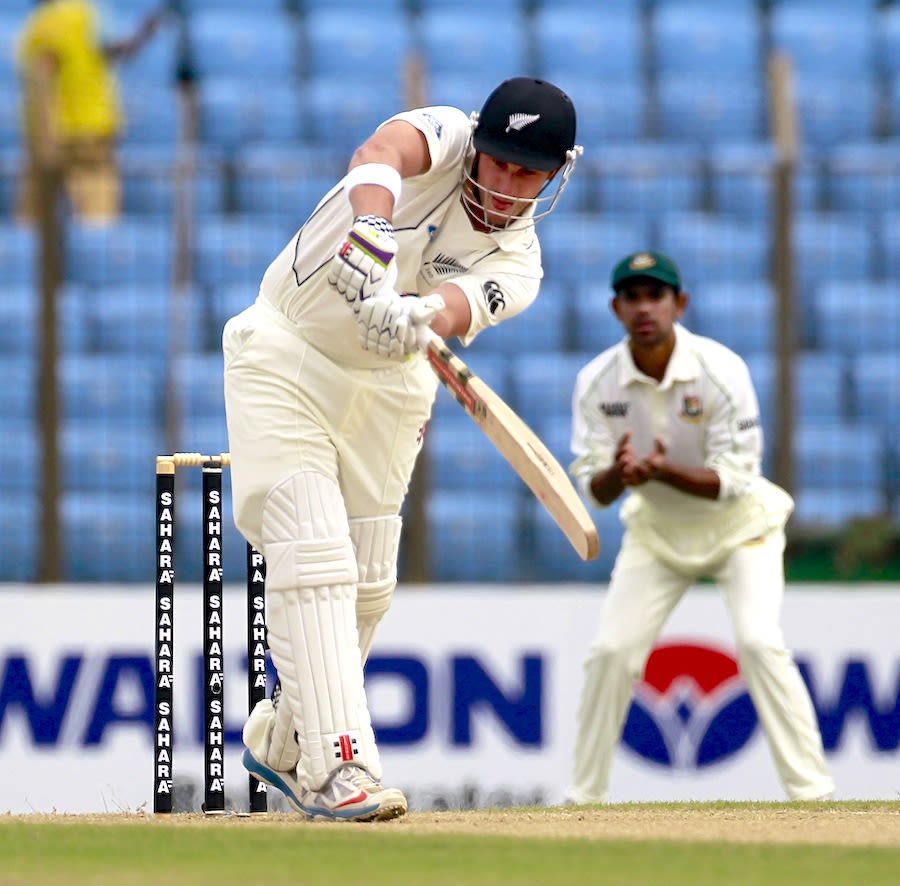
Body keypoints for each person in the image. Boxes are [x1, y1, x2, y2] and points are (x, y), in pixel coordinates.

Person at [223, 77, 582, 821]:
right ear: (478, 144)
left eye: (528, 173)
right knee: (313, 546)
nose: (507, 185)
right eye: (499, 162)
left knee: (367, 582)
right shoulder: (448, 133)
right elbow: (380, 151)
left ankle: (285, 740)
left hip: (391, 387)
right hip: (287, 350)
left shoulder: (521, 267)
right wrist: (371, 230)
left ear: (557, 174)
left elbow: (455, 307)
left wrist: (416, 313)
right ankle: (339, 768)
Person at [565, 250, 834, 805]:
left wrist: (659, 470)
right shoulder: (597, 383)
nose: (645, 308)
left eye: (655, 296)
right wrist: (621, 472)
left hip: (743, 530)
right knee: (611, 653)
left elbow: (737, 478)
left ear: (678, 304)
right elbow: (592, 487)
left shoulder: (720, 369)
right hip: (658, 534)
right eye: (632, 297)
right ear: (616, 308)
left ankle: (812, 796)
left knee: (760, 643)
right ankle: (584, 799)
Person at [15, 0, 165, 224]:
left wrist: (44, 140)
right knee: (98, 224)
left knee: (34, 227)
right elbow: (113, 50)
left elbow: (42, 81)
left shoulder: (39, 25)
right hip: (91, 135)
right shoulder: (87, 14)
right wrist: (140, 37)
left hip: (51, 136)